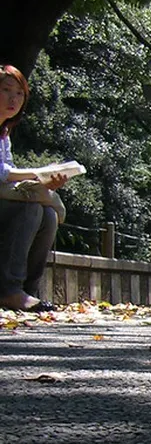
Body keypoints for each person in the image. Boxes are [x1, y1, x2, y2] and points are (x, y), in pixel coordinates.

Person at [0, 64, 68, 312]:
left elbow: (8, 173)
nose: (13, 99)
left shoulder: (4, 133)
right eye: (6, 90)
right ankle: (9, 289)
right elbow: (2, 174)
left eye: (19, 94)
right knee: (30, 210)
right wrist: (38, 174)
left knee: (47, 215)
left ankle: (28, 290)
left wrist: (45, 181)